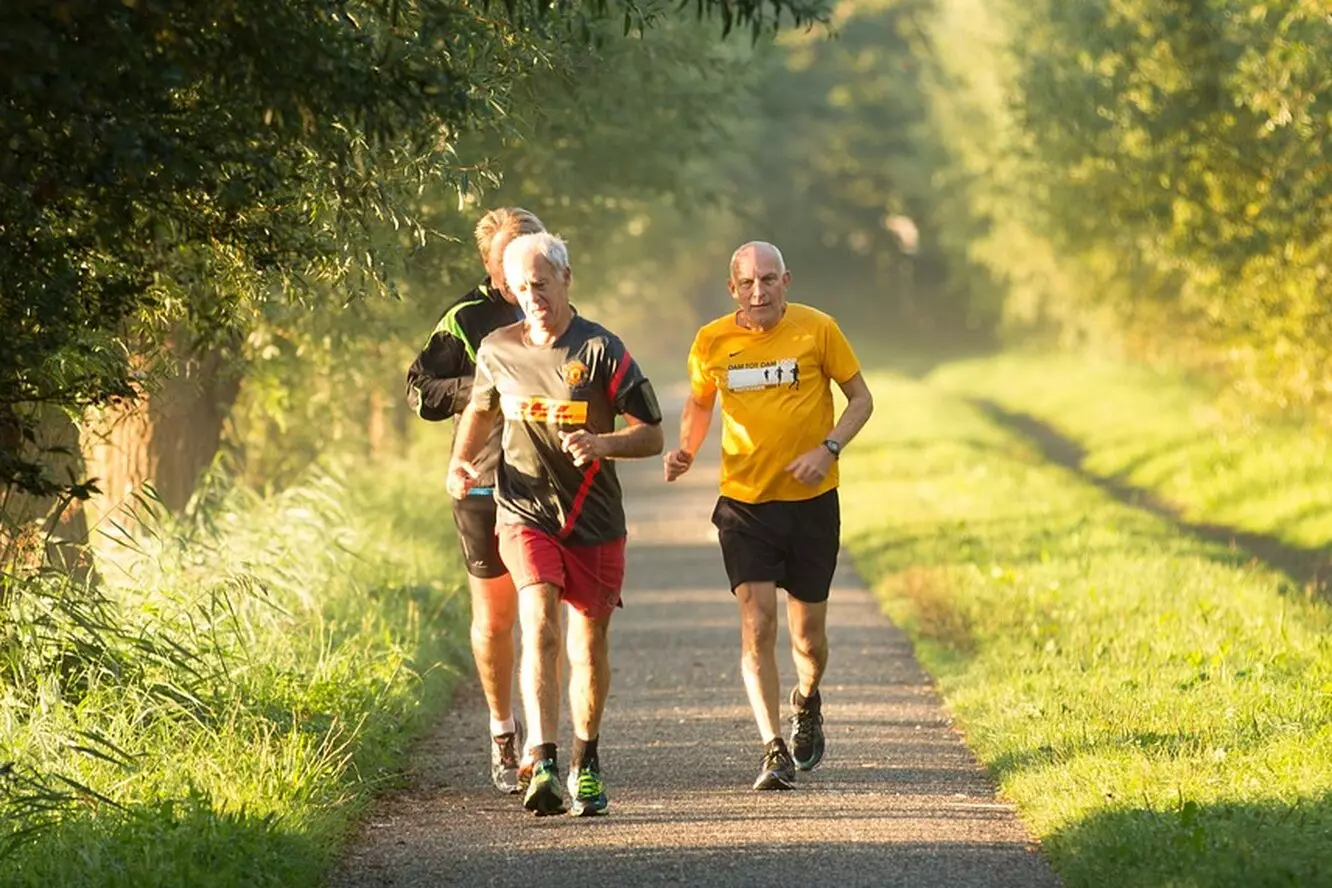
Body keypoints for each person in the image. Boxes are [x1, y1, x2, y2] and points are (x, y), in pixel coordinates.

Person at [447, 232, 664, 816]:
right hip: (524, 511)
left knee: (587, 645)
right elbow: (481, 408)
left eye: (542, 284)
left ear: (567, 279)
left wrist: (601, 442)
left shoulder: (602, 350)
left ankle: (585, 762)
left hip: (593, 519)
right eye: (521, 287)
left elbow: (652, 434)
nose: (532, 296)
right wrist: (460, 463)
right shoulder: (496, 348)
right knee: (538, 619)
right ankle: (541, 759)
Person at [663, 241, 874, 791]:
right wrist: (686, 449)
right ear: (733, 289)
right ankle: (771, 746)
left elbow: (861, 400)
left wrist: (828, 448)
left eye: (769, 280)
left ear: (787, 281)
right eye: (749, 283)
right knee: (758, 623)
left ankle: (807, 699)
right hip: (744, 504)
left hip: (811, 503)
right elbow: (701, 402)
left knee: (809, 641)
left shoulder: (817, 329)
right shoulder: (712, 341)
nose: (760, 291)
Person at [405, 207, 545, 794]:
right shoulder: (465, 318)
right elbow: (421, 389)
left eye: (530, 252)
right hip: (485, 480)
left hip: (545, 481)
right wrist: (483, 388)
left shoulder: (552, 306)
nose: (520, 269)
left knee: (542, 616)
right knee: (496, 619)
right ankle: (501, 730)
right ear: (489, 262)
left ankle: (545, 746)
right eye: (508, 257)